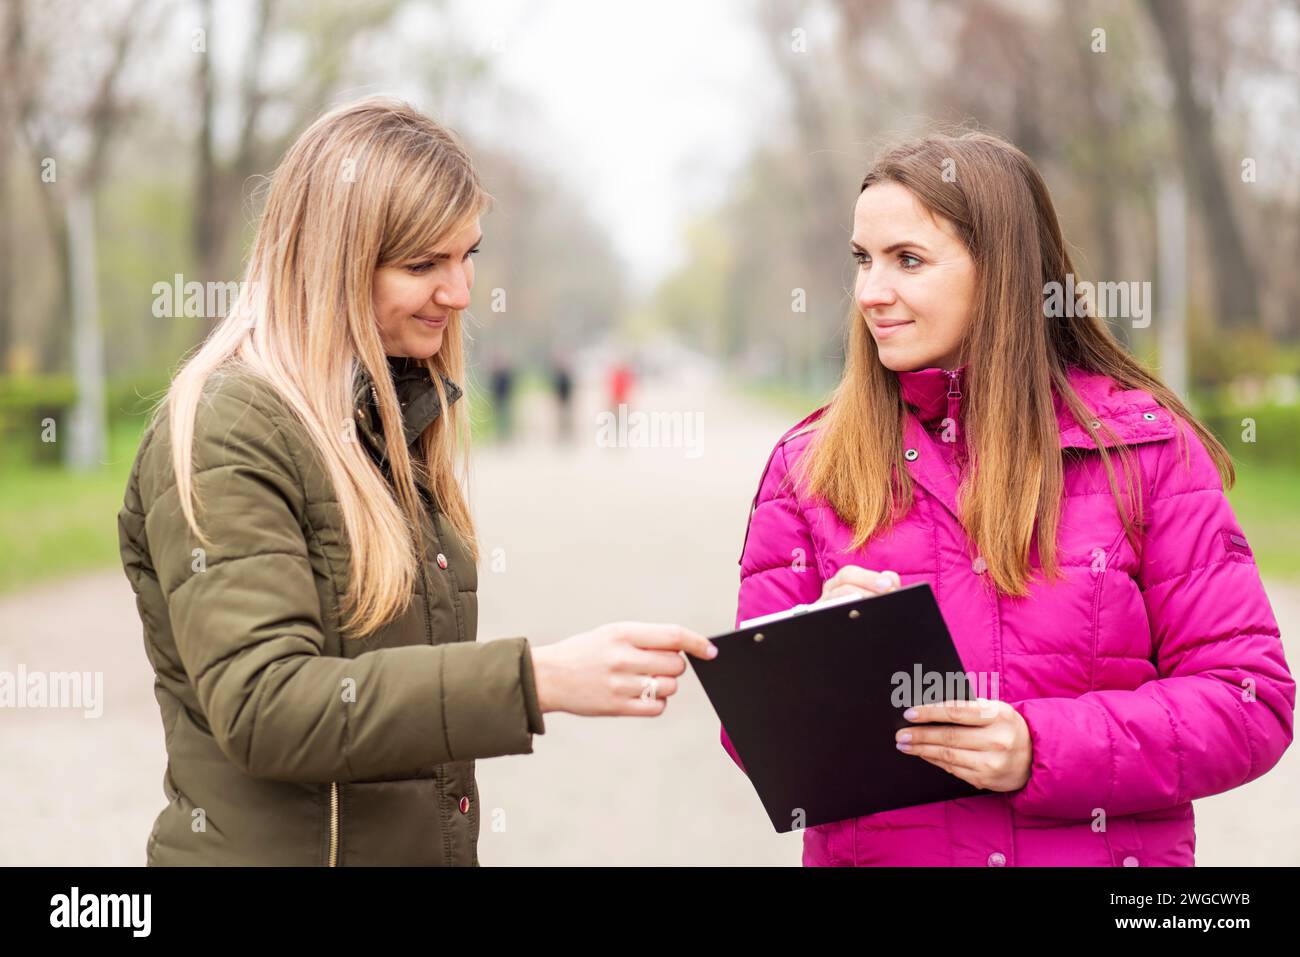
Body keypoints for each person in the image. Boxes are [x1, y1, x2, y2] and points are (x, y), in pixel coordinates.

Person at [118, 97, 715, 866]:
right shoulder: (229, 428)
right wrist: (535, 677)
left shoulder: (387, 416)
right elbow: (266, 705)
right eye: (422, 265)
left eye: (467, 255)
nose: (460, 292)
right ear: (331, 261)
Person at [725, 130, 1294, 866]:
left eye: (908, 260)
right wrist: (810, 656)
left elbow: (1251, 704)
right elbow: (756, 746)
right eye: (863, 260)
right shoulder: (808, 466)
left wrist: (1040, 748)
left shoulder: (1149, 454)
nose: (870, 292)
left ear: (1000, 273)